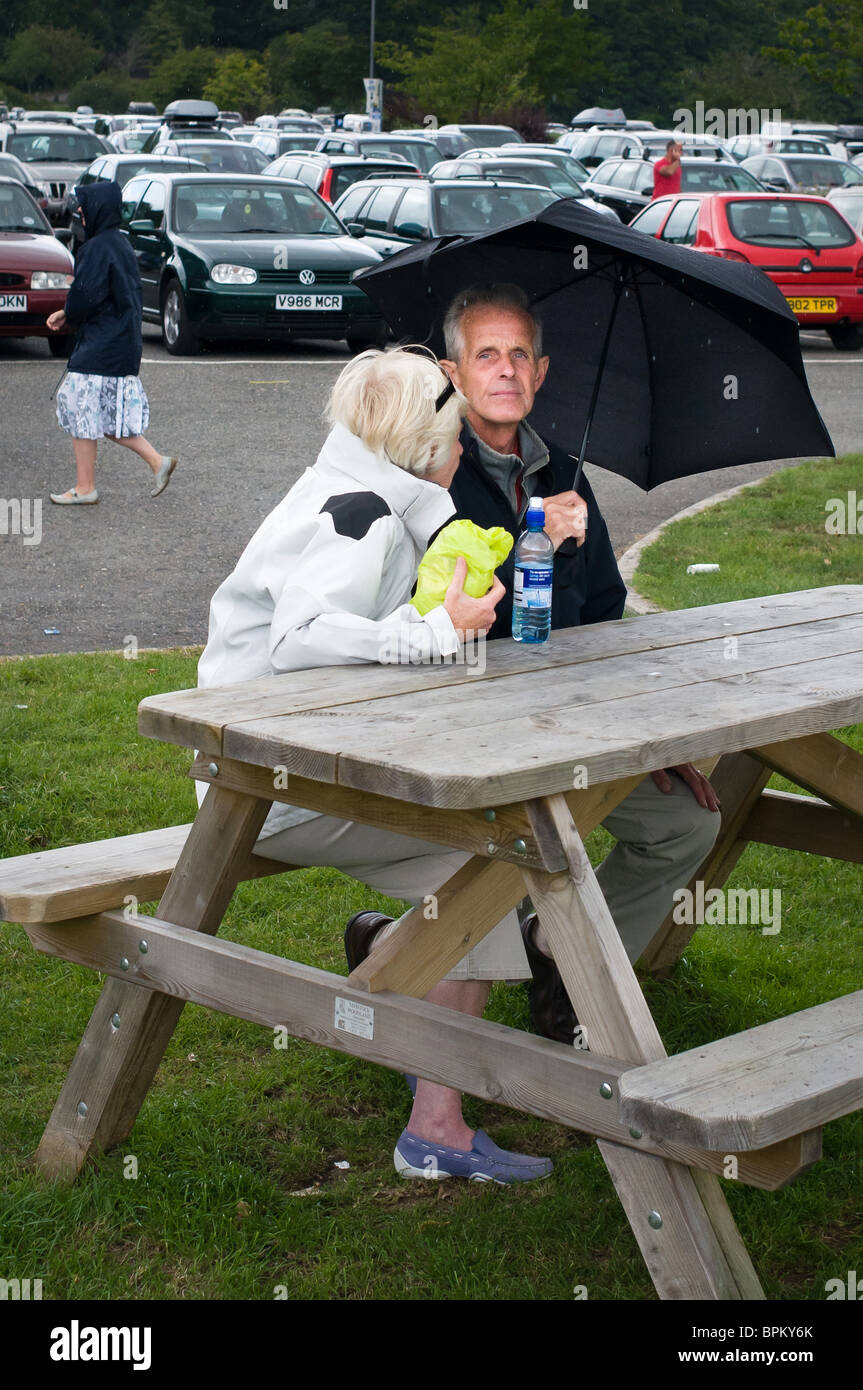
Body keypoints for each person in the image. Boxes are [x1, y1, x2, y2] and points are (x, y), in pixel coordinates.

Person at [198, 347, 554, 1184]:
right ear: (424, 442)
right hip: (266, 791)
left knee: (483, 871)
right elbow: (298, 638)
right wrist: (439, 633)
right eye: (456, 433)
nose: (464, 447)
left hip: (270, 773)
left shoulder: (355, 492)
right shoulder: (358, 512)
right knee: (486, 868)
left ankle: (403, 992)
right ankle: (434, 1123)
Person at [349, 283, 721, 1052]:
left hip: (573, 726)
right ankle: (409, 949)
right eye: (486, 354)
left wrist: (650, 735)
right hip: (469, 729)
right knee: (538, 846)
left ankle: (557, 961)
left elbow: (607, 613)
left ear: (542, 371)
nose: (505, 370)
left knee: (685, 823)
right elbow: (444, 612)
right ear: (453, 373)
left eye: (520, 354)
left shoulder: (567, 474)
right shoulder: (430, 472)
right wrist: (532, 537)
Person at [46, 181, 177, 505]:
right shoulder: (119, 244)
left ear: (97, 208)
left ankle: (86, 488)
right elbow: (105, 296)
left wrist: (69, 311)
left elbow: (86, 296)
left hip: (102, 346)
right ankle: (157, 462)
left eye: (84, 205)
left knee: (81, 407)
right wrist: (67, 312)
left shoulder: (96, 248)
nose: (79, 211)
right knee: (103, 414)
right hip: (121, 343)